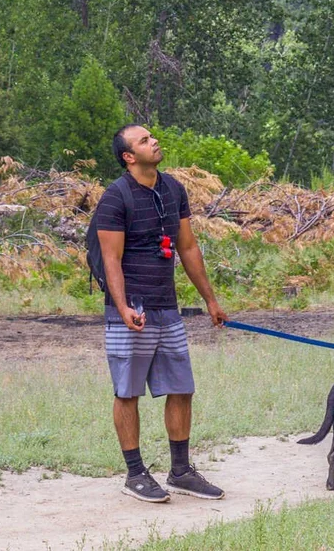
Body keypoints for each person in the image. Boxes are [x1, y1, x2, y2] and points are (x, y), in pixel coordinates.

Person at [94, 123, 229, 503]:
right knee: (128, 391)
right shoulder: (115, 198)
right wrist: (122, 308)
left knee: (182, 388)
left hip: (167, 308)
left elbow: (187, 247)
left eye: (151, 136)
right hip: (133, 309)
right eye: (143, 140)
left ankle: (181, 471)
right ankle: (135, 473)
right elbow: (111, 259)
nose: (154, 141)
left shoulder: (172, 188)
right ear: (129, 156)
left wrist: (210, 300)